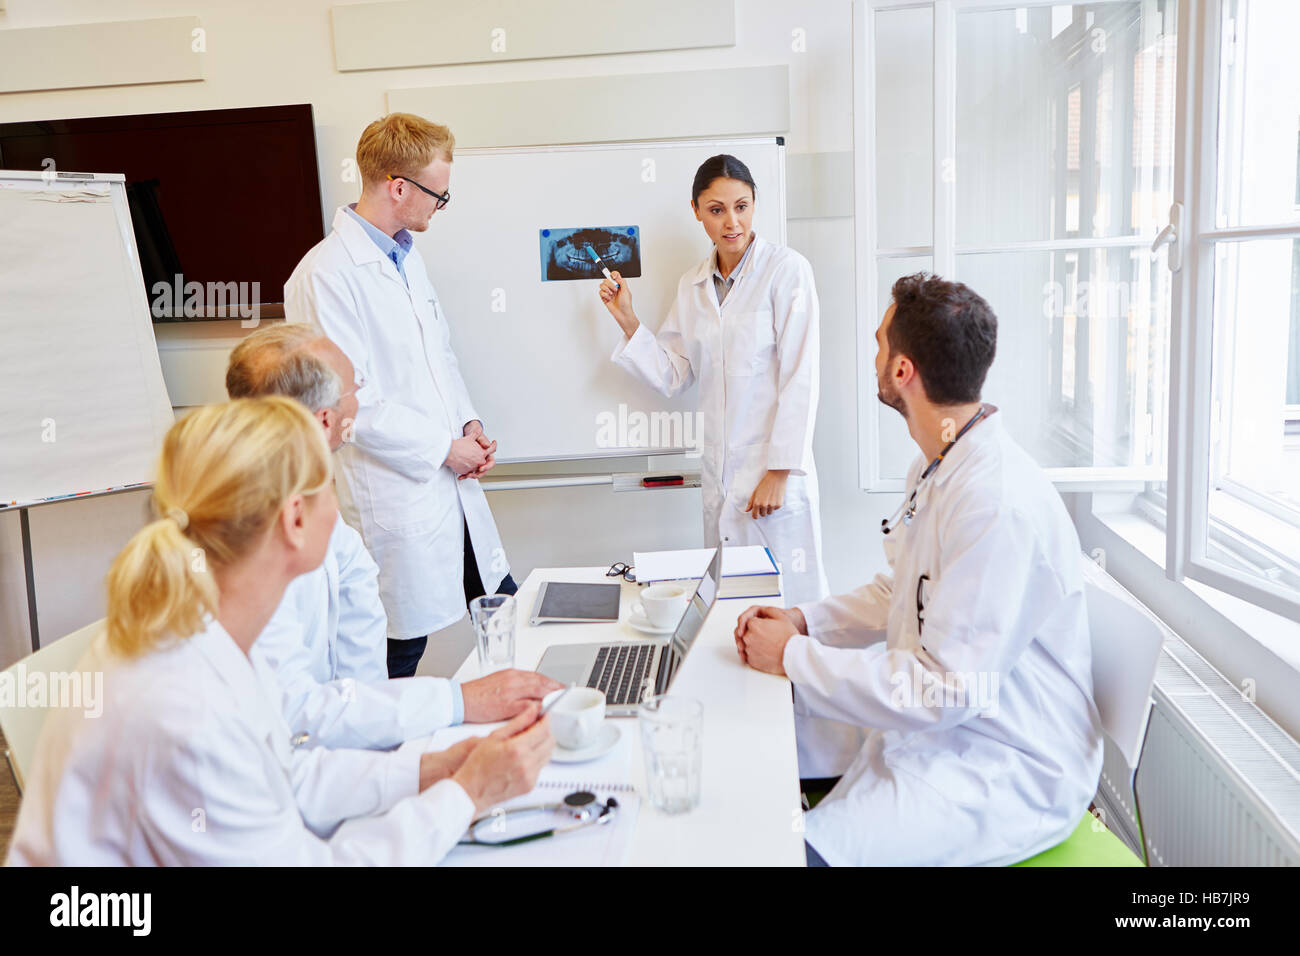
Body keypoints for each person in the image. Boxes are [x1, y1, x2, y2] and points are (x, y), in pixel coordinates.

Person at [7, 398, 553, 865]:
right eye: (330, 488)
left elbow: (287, 773)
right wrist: (467, 793)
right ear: (295, 518)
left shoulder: (205, 624)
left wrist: (434, 769)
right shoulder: (186, 707)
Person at [734, 273, 1103, 867]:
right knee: (756, 767)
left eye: (880, 342)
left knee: (797, 853)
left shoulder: (995, 505)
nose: (873, 354)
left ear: (902, 371)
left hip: (1003, 762)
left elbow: (945, 690)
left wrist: (792, 658)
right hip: (939, 730)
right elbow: (900, 590)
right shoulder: (940, 465)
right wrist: (805, 621)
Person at [598, 154, 851, 774]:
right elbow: (677, 375)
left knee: (792, 624)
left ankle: (812, 770)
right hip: (721, 487)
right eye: (716, 210)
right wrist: (630, 322)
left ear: (754, 205)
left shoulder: (788, 272)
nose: (731, 221)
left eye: (741, 206)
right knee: (734, 625)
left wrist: (778, 468)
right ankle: (755, 768)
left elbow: (802, 377)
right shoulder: (690, 287)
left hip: (776, 488)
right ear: (698, 214)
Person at [226, 324, 560, 749]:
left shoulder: (322, 522)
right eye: (352, 387)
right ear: (326, 420)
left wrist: (414, 751)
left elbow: (360, 696)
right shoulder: (247, 544)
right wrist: (459, 703)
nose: (362, 389)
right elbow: (301, 722)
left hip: (338, 760)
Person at [285, 112, 516, 679]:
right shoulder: (325, 276)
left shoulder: (405, 255)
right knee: (393, 651)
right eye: (439, 194)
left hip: (448, 479)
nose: (440, 205)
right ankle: (375, 760)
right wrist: (443, 448)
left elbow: (439, 358)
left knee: (503, 609)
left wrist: (466, 426)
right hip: (397, 492)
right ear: (398, 187)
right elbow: (345, 404)